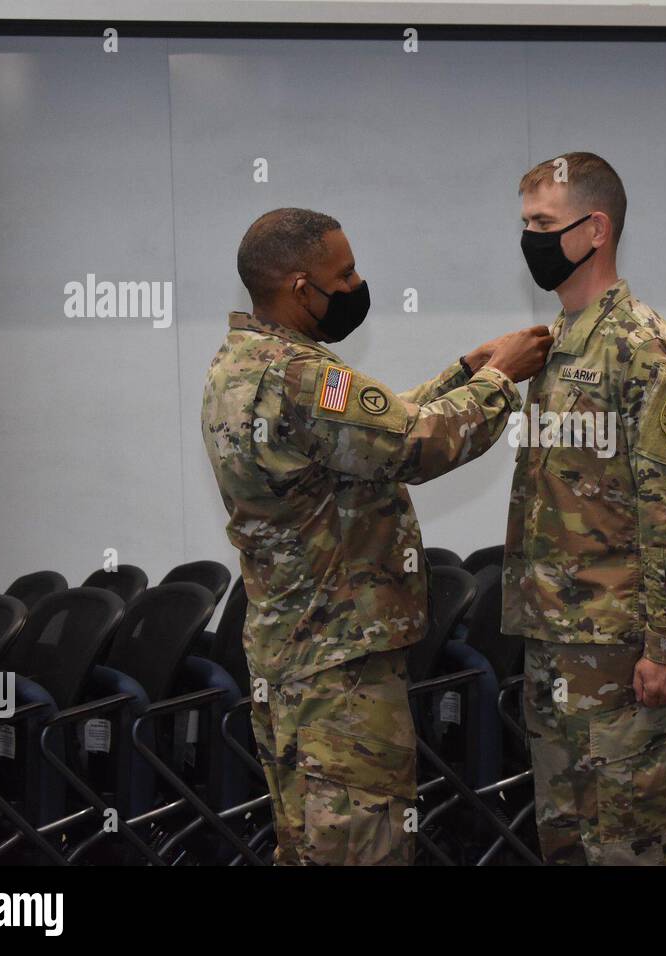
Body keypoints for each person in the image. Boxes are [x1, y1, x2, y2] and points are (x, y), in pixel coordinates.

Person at [201, 207, 550, 864]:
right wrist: (501, 380)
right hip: (342, 673)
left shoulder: (241, 365)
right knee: (365, 847)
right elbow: (415, 444)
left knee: (306, 846)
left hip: (290, 658)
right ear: (301, 288)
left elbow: (366, 434)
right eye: (346, 273)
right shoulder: (302, 376)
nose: (357, 283)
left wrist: (461, 373)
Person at [502, 152, 666, 864]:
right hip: (556, 639)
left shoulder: (643, 349)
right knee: (563, 838)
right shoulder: (555, 345)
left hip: (620, 650)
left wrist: (663, 645)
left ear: (595, 230)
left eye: (542, 223)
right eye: (524, 221)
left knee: (631, 840)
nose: (528, 237)